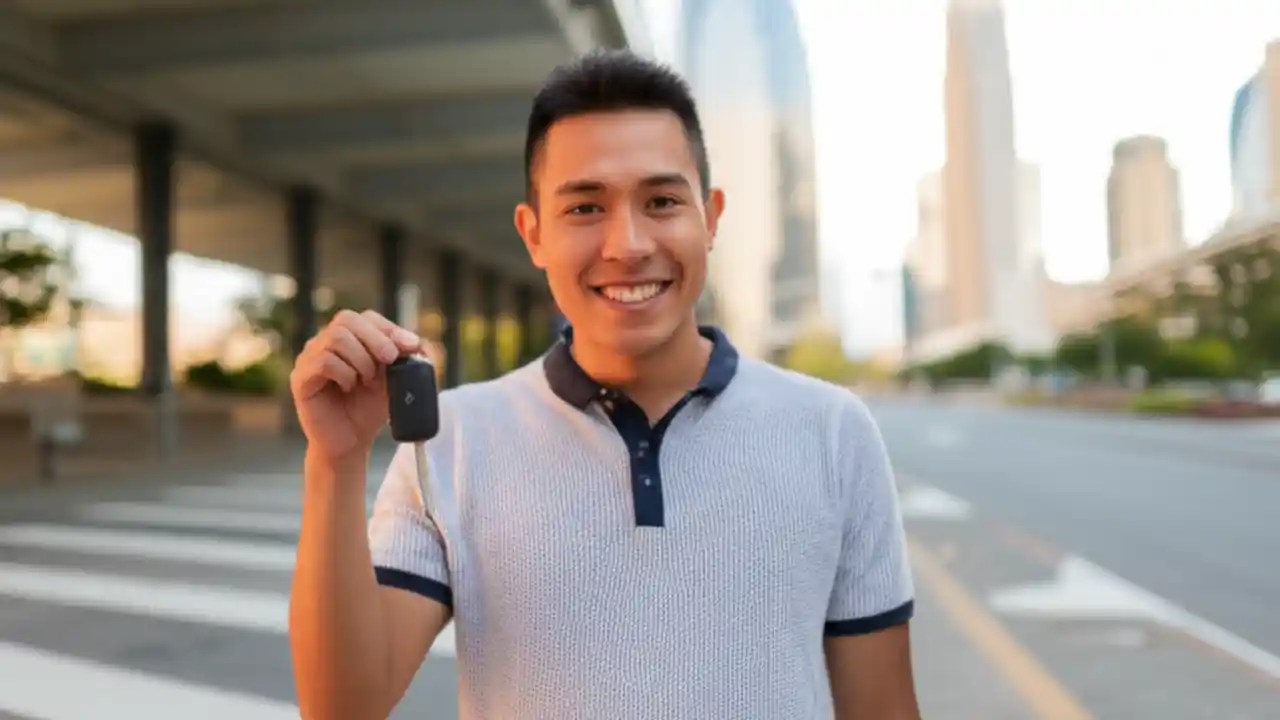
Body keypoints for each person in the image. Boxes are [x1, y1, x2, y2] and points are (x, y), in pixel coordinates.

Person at [288, 49, 919, 719]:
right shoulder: (452, 440)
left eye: (662, 201)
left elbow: (881, 707)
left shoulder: (831, 429)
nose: (627, 243)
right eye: (585, 207)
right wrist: (335, 462)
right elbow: (342, 708)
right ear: (533, 235)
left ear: (711, 217)